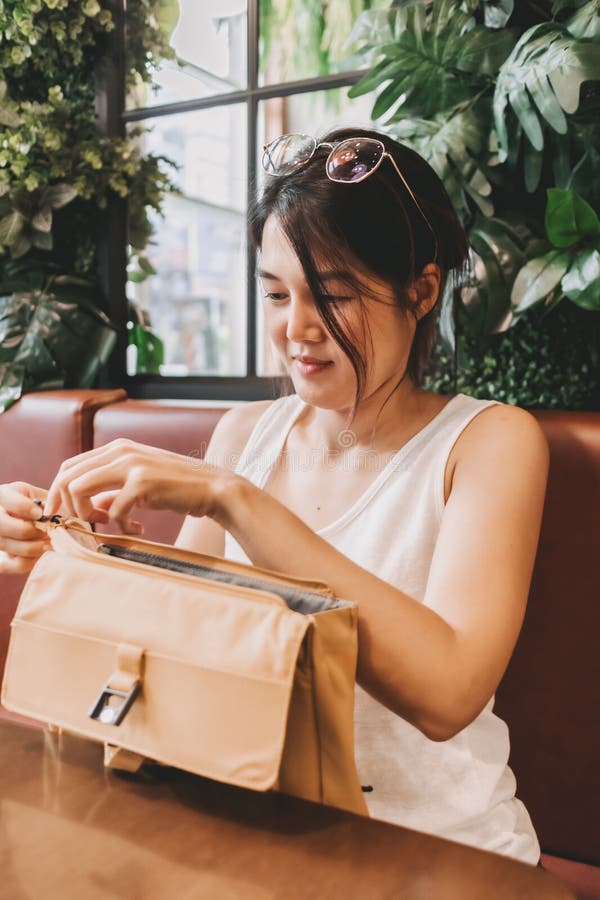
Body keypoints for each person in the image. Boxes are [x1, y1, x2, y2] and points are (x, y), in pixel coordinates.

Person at [0, 128, 549, 865]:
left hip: (442, 851)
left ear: (421, 292)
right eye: (277, 293)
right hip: (256, 833)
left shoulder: (488, 443)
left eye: (335, 294)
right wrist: (63, 545)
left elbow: (448, 693)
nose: (297, 328)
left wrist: (238, 502)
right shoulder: (245, 435)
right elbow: (179, 642)